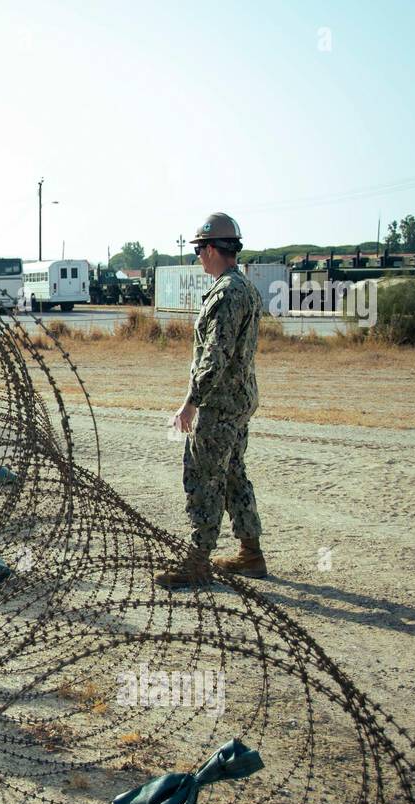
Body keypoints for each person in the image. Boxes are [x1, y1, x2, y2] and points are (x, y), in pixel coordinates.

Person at [155, 212, 267, 589]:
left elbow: (214, 356)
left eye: (199, 248)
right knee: (233, 475)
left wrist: (191, 402)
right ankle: (250, 553)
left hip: (219, 404)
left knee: (204, 477)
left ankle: (197, 562)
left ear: (214, 248)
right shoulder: (243, 287)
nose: (198, 256)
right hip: (237, 400)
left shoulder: (226, 293)